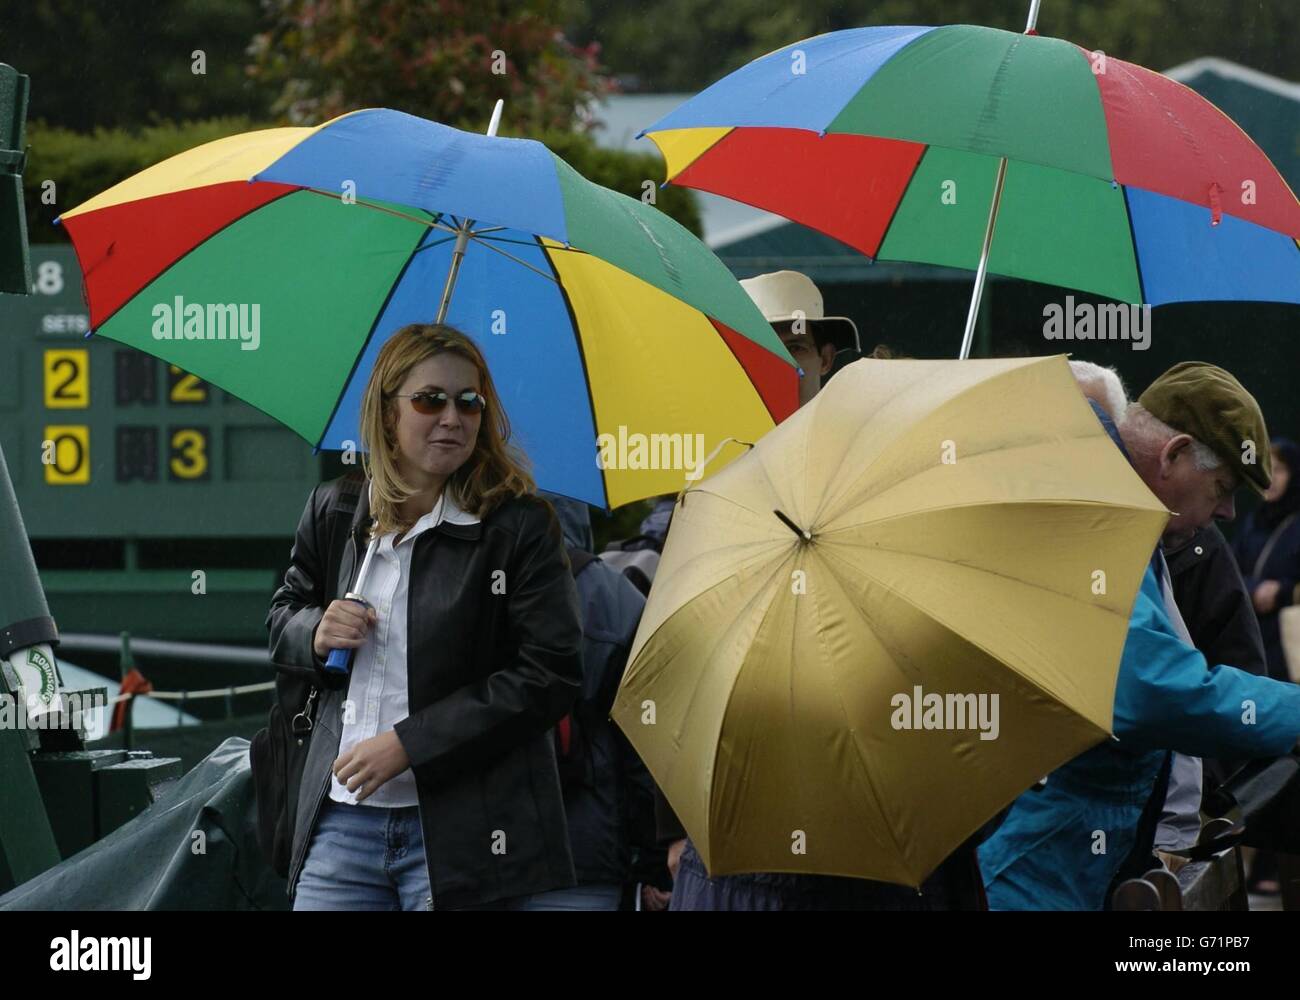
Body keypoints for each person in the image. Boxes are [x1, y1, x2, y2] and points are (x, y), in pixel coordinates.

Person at [664, 271, 985, 910]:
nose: (779, 366)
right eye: (758, 351)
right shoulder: (705, 487)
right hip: (751, 831)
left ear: (826, 359)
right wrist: (669, 831)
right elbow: (682, 665)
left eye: (795, 347)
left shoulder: (884, 456)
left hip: (888, 817)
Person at [267, 322, 583, 911]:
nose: (452, 418)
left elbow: (551, 675)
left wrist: (411, 744)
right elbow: (281, 617)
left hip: (464, 833)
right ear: (388, 413)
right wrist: (315, 632)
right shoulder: (336, 509)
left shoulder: (518, 527)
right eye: (429, 400)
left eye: (469, 402)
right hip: (340, 824)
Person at [979, 362, 1300, 910]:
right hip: (1037, 866)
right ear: (1173, 454)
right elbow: (1150, 688)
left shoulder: (1100, 504)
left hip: (1061, 858)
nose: (1226, 510)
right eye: (1221, 486)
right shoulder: (1091, 511)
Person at [534, 491, 666, 910]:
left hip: (474, 854)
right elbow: (646, 747)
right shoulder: (618, 597)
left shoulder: (464, 577)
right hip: (586, 852)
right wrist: (653, 859)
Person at [1232, 438, 1300, 684]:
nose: (1270, 478)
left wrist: (1282, 592)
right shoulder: (1254, 521)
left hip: (1290, 640)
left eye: (1279, 469)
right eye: (1265, 469)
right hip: (1256, 636)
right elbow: (1231, 568)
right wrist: (1253, 589)